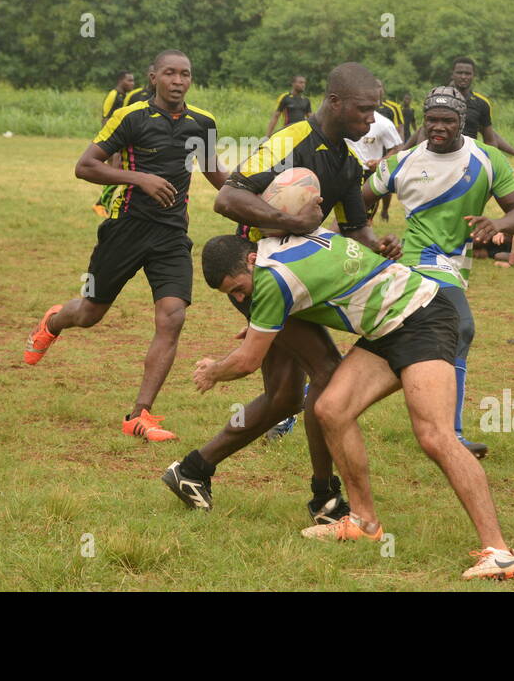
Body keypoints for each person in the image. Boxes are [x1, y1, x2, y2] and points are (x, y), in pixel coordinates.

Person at [192, 231, 514, 581]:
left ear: (250, 260)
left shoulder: (271, 278)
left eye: (237, 288)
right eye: (231, 295)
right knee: (331, 409)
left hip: (422, 315)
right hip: (385, 328)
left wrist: (214, 371)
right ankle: (363, 522)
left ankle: (500, 552)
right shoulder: (280, 244)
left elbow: (247, 361)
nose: (239, 297)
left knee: (434, 436)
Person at [161, 63, 402, 525]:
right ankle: (325, 498)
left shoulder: (346, 159)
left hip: (298, 282)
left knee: (285, 397)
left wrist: (382, 245)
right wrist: (294, 222)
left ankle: (193, 469)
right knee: (327, 373)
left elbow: (357, 228)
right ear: (334, 102)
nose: (372, 121)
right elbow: (228, 197)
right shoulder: (291, 141)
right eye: (364, 109)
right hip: (260, 277)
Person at [24, 50, 228, 441]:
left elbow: (214, 171)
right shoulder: (131, 117)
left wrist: (256, 194)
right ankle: (53, 321)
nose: (178, 81)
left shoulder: (203, 123)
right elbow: (86, 166)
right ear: (153, 78)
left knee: (173, 317)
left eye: (185, 74)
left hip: (171, 235)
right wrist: (140, 179)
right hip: (125, 230)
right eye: (169, 73)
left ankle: (139, 414)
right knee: (88, 313)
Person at [361, 87, 514, 458]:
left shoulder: (487, 158)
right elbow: (358, 204)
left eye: (447, 121)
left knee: (385, 346)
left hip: (455, 263)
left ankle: (304, 402)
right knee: (461, 326)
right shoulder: (402, 162)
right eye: (432, 120)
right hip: (419, 256)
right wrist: (373, 240)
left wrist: (498, 221)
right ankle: (451, 434)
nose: (438, 127)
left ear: (462, 122)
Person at [400, 57, 514, 160]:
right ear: (452, 74)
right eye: (459, 73)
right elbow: (422, 130)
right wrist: (402, 153)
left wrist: (507, 155)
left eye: (467, 73)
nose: (463, 76)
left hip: (467, 158)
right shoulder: (438, 98)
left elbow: (489, 136)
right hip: (438, 155)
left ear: (473, 75)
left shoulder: (481, 103)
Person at [348, 98, 403, 223]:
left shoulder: (383, 123)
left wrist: (380, 161)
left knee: (364, 218)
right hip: (346, 171)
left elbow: (397, 147)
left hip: (369, 172)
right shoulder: (344, 120)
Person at [94, 71, 139, 218]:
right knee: (114, 172)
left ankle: (104, 204)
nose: (132, 84)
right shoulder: (113, 95)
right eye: (129, 81)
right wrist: (109, 142)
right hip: (112, 140)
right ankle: (100, 204)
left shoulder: (124, 97)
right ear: (121, 80)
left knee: (117, 172)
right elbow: (106, 118)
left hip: (120, 140)